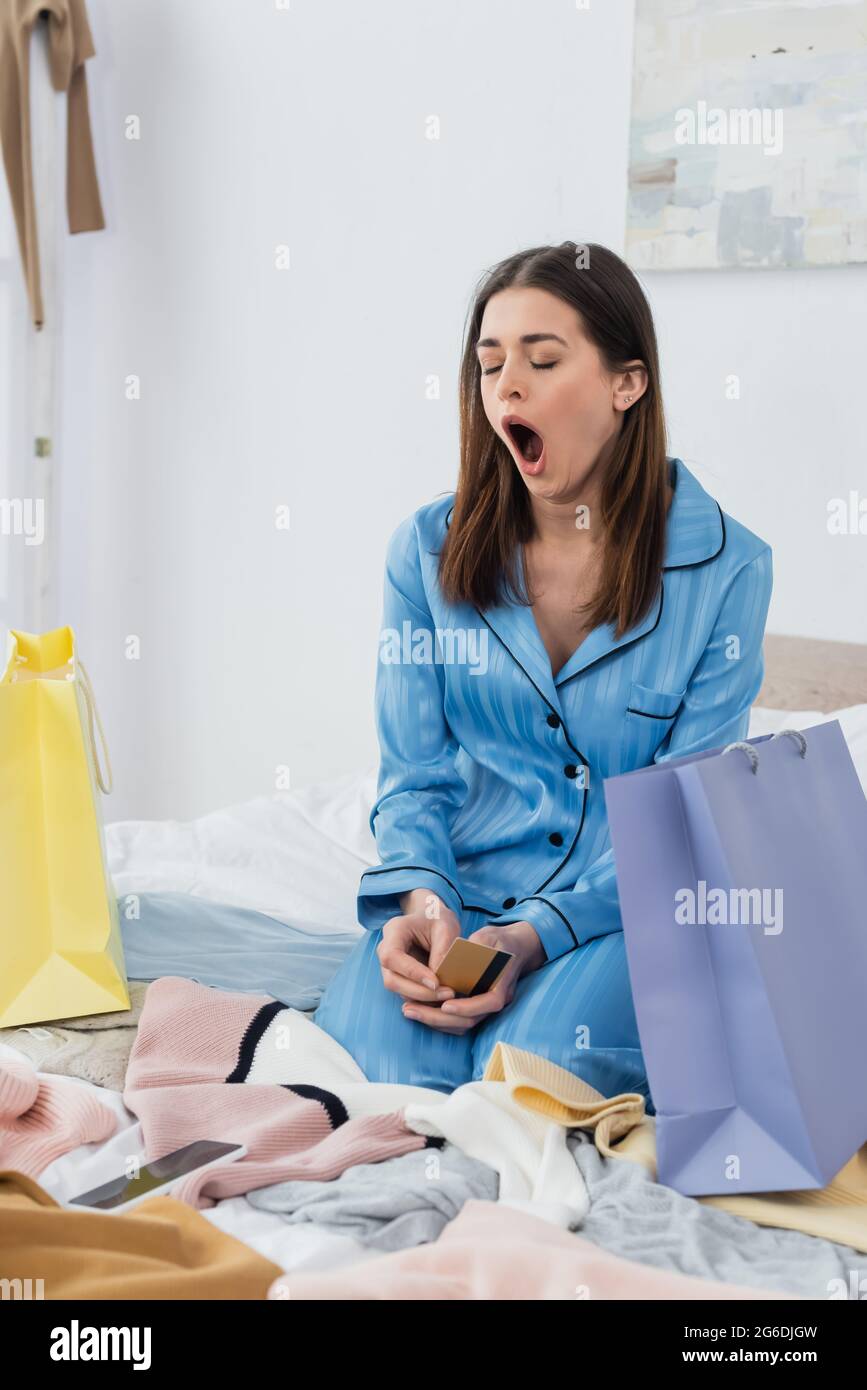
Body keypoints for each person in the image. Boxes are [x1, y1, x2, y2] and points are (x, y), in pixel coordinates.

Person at [313, 241, 773, 1108]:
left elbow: (683, 814)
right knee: (380, 1079)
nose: (507, 388)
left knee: (528, 1080)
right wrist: (423, 899)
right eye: (490, 366)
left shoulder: (727, 568)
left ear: (624, 384)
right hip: (465, 895)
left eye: (542, 359)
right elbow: (415, 779)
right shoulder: (424, 552)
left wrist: (534, 937)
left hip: (624, 906)